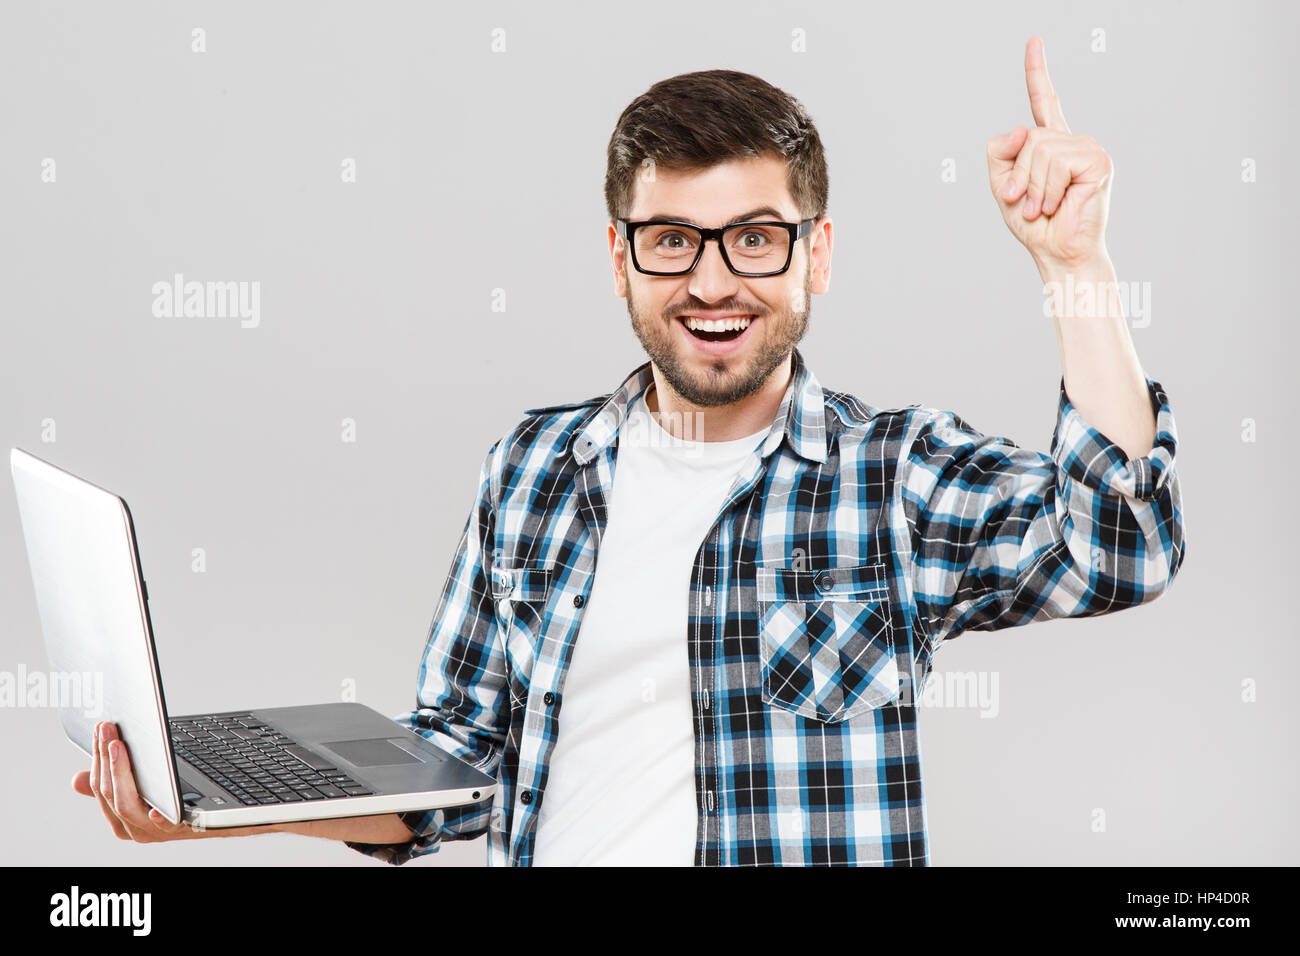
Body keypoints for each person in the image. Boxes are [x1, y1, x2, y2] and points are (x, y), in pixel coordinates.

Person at [77, 37, 1185, 866]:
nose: (712, 281)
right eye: (672, 241)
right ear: (620, 256)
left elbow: (1118, 547)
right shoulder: (531, 468)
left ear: (817, 253)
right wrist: (221, 799)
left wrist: (1075, 268)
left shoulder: (891, 475)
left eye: (755, 237)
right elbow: (455, 769)